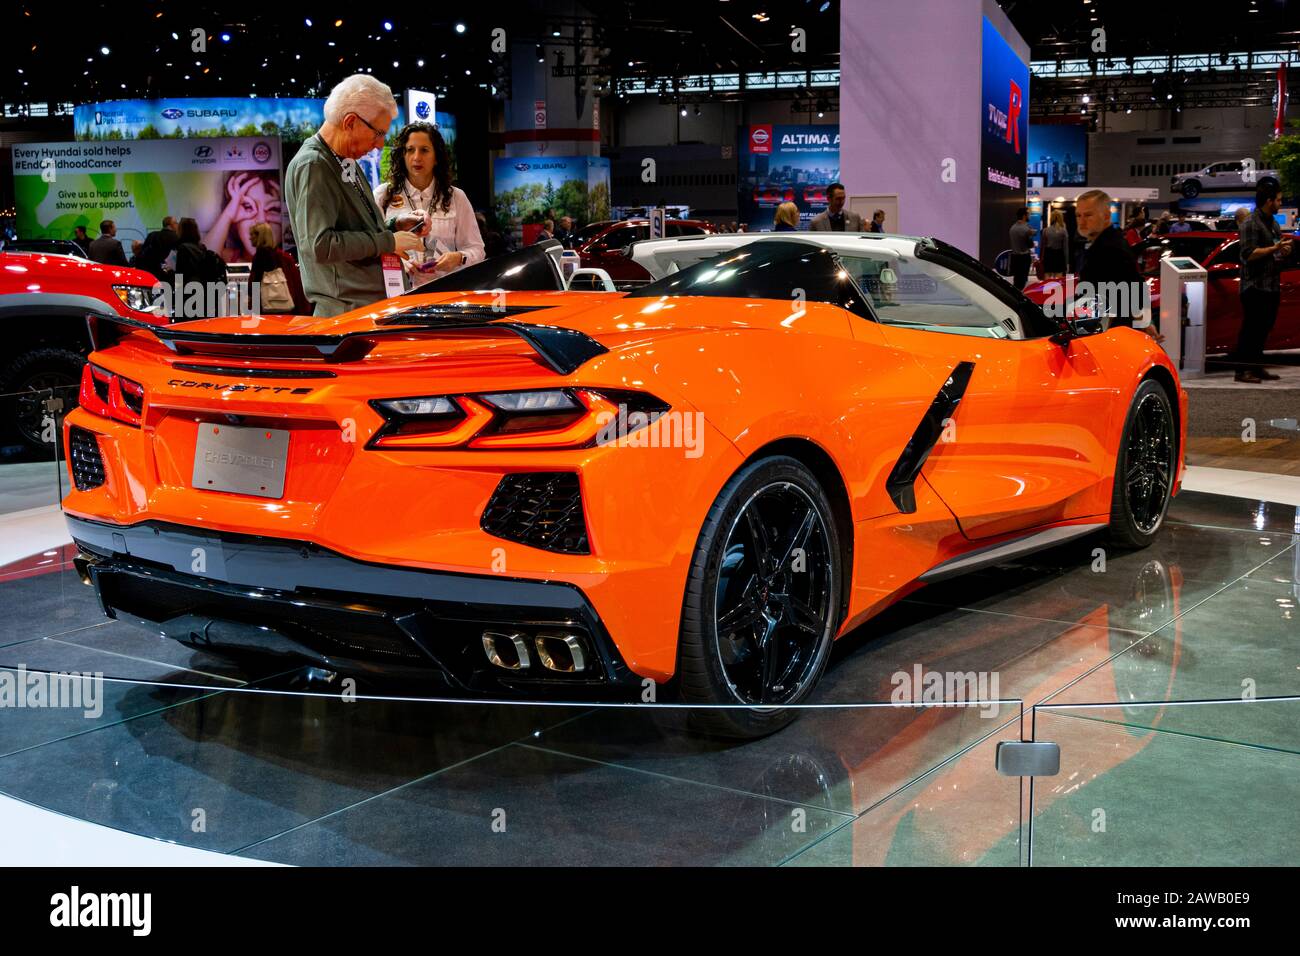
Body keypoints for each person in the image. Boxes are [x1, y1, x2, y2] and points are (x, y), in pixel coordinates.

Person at [284, 74, 428, 317]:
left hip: (365, 311)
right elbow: (320, 246)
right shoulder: (314, 165)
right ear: (350, 121)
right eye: (378, 133)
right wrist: (389, 242)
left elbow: (350, 230)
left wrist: (393, 227)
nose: (381, 145)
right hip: (346, 317)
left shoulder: (344, 161)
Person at [374, 121, 484, 288]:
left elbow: (477, 250)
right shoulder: (383, 195)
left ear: (436, 158)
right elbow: (372, 247)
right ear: (402, 155)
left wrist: (459, 257)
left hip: (445, 294)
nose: (416, 157)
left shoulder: (456, 197)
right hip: (398, 293)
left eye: (424, 150)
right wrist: (396, 263)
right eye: (410, 150)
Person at [1233, 179, 1293, 383]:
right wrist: (1275, 249)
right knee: (1251, 329)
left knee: (1264, 329)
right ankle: (1242, 371)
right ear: (1268, 201)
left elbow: (1275, 250)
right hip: (1254, 286)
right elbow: (1248, 255)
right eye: (1278, 200)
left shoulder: (1273, 224)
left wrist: (1283, 251)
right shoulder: (1250, 224)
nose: (1280, 204)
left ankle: (1256, 367)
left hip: (1271, 285)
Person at [1075, 189, 1153, 335]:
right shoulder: (1105, 243)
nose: (1082, 221)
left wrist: (1144, 321)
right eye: (1078, 215)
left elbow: (1131, 283)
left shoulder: (1109, 247)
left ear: (1106, 216)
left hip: (1110, 333)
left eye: (1088, 215)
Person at [205, 172, 284, 262]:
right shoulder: (225, 257)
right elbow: (198, 267)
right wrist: (228, 215)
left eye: (274, 209)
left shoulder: (290, 262)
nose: (261, 220)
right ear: (235, 225)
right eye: (248, 207)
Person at [249, 221, 311, 315]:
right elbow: (296, 284)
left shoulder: (259, 257)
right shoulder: (284, 257)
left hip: (266, 309)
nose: (250, 238)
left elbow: (254, 283)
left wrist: (251, 304)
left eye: (252, 235)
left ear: (259, 236)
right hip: (286, 306)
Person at [133, 217, 180, 283]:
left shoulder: (151, 235)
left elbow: (142, 255)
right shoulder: (175, 237)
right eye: (176, 223)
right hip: (169, 276)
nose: (177, 225)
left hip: (150, 275)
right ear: (170, 225)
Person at [1007, 206, 1034, 289]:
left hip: (1015, 258)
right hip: (1024, 258)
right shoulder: (1026, 228)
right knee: (1022, 281)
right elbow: (1030, 244)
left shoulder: (1012, 228)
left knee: (1017, 280)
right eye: (1029, 214)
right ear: (1024, 216)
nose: (1030, 216)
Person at [1041, 209, 1069, 279]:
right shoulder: (1063, 231)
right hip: (1059, 255)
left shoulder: (1045, 230)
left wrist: (1042, 259)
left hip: (1048, 255)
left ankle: (1047, 290)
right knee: (1059, 280)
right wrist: (1066, 263)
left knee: (1047, 279)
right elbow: (1065, 248)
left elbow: (1043, 247)